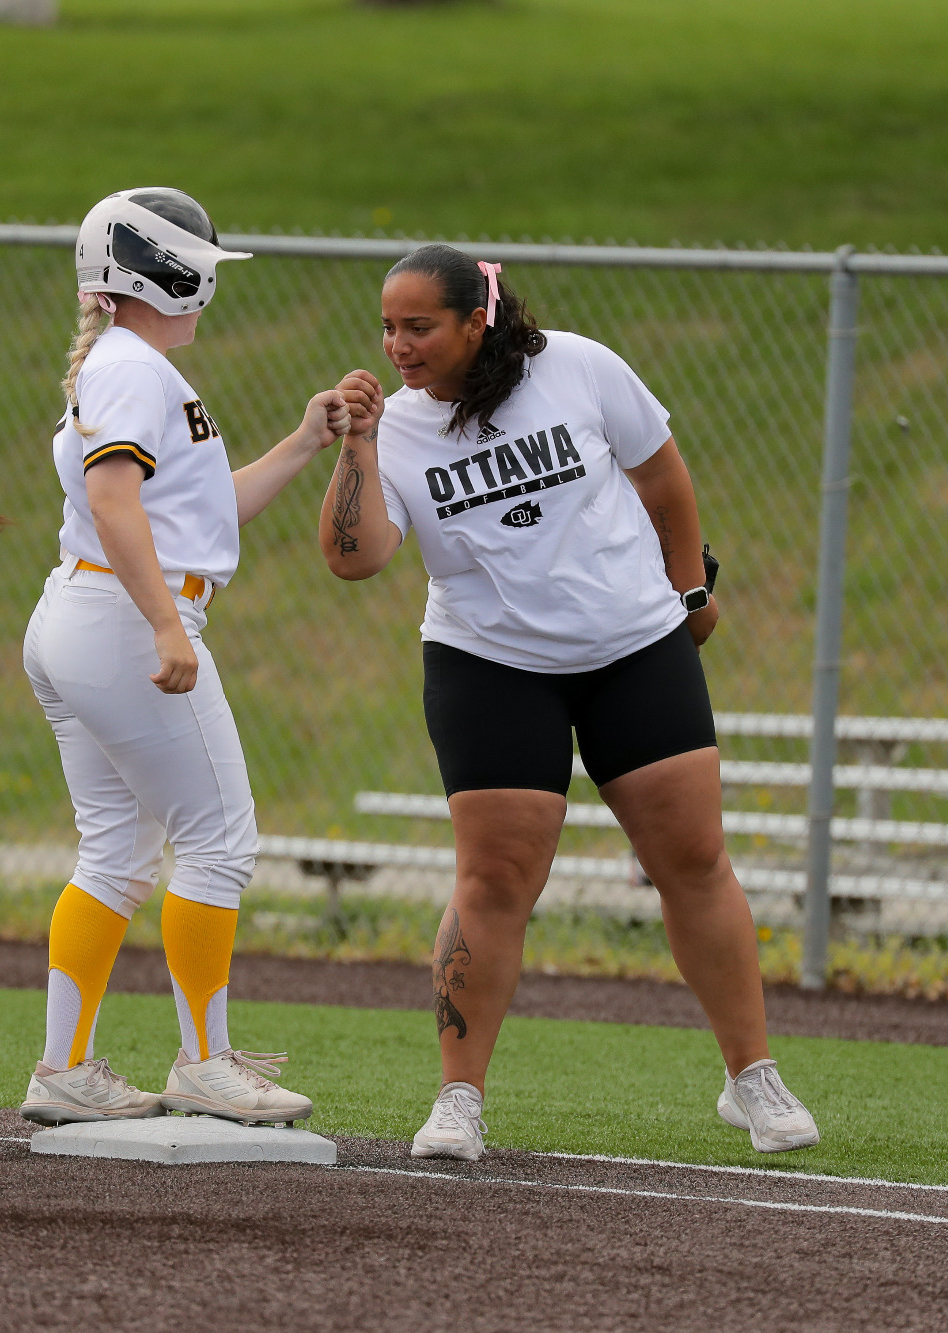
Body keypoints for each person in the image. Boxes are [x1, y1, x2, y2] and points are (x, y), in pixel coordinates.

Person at [319, 244, 819, 1160]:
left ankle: (752, 1078)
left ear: (478, 320)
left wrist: (691, 594)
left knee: (693, 858)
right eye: (388, 326)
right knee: (496, 878)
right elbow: (356, 558)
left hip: (633, 644)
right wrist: (358, 444)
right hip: (490, 662)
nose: (397, 345)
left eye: (418, 325)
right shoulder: (395, 428)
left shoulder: (578, 366)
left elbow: (664, 477)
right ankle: (459, 1099)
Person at [16, 188, 347, 1128]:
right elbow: (118, 504)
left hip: (82, 612)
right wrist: (166, 624)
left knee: (116, 850)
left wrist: (300, 440)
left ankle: (65, 1069)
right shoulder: (134, 369)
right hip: (122, 617)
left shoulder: (127, 365)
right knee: (218, 839)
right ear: (162, 271)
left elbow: (191, 518)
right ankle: (204, 1063)